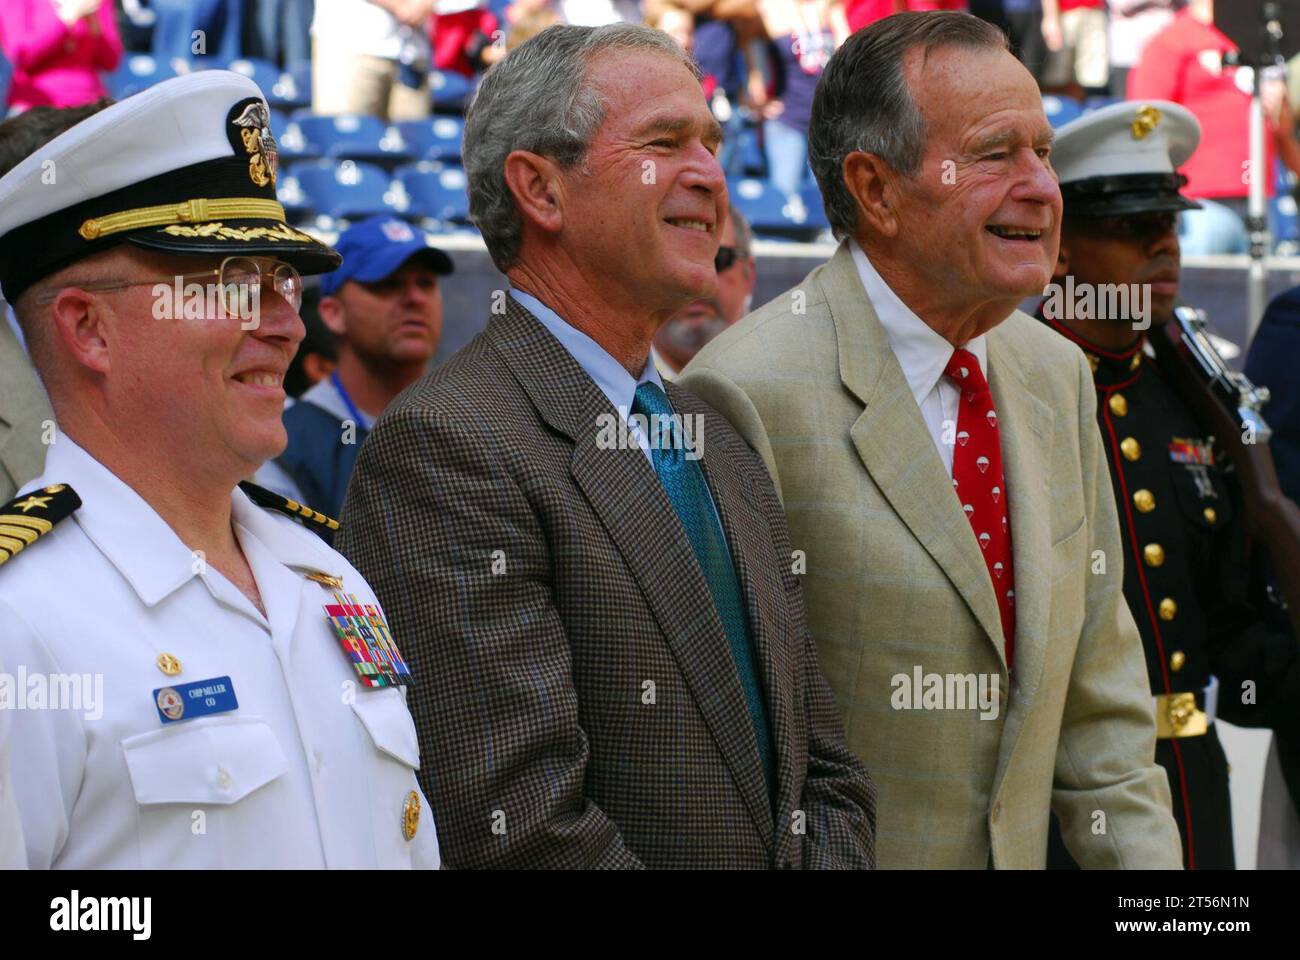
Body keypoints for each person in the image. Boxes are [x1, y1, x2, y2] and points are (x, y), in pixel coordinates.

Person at [337, 23, 877, 869]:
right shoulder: (446, 449)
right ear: (541, 191)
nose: (708, 173)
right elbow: (522, 829)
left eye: (713, 142)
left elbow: (827, 774)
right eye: (665, 142)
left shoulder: (719, 437)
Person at [681, 10, 1183, 868]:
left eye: (1044, 153)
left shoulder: (1055, 375)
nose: (1041, 188)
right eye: (996, 154)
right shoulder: (742, 394)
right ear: (876, 190)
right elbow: (725, 768)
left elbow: (1105, 728)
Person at [0, 71, 440, 869]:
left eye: (283, 283)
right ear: (88, 328)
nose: (286, 326)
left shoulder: (327, 580)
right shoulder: (19, 623)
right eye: (235, 283)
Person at [1038, 100, 1300, 869]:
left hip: (1189, 777)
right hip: (1065, 795)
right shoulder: (1014, 391)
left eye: (1171, 221)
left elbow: (1233, 634)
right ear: (1058, 248)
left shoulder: (1190, 399)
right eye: (1129, 227)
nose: (1163, 244)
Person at [271, 215, 451, 527]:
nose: (414, 298)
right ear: (334, 313)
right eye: (387, 284)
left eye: (426, 283)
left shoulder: (477, 421)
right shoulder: (286, 441)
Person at [1129, 0, 1300, 255]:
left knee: (1260, 293)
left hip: (1261, 200)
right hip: (1202, 205)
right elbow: (1142, 125)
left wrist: (1279, 108)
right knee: (1203, 292)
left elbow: (1284, 132)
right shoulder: (1172, 39)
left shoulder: (1261, 42)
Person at [653, 204, 757, 378]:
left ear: (749, 274)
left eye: (716, 259)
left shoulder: (791, 376)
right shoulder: (606, 387)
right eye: (674, 263)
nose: (696, 282)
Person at [311, 0, 435, 120]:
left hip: (414, 52)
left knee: (415, 137)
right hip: (350, 43)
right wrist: (403, 4)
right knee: (348, 136)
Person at [0, 0, 122, 112]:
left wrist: (94, 24)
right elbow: (22, 53)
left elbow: (111, 62)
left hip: (90, 105)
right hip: (38, 112)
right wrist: (69, 16)